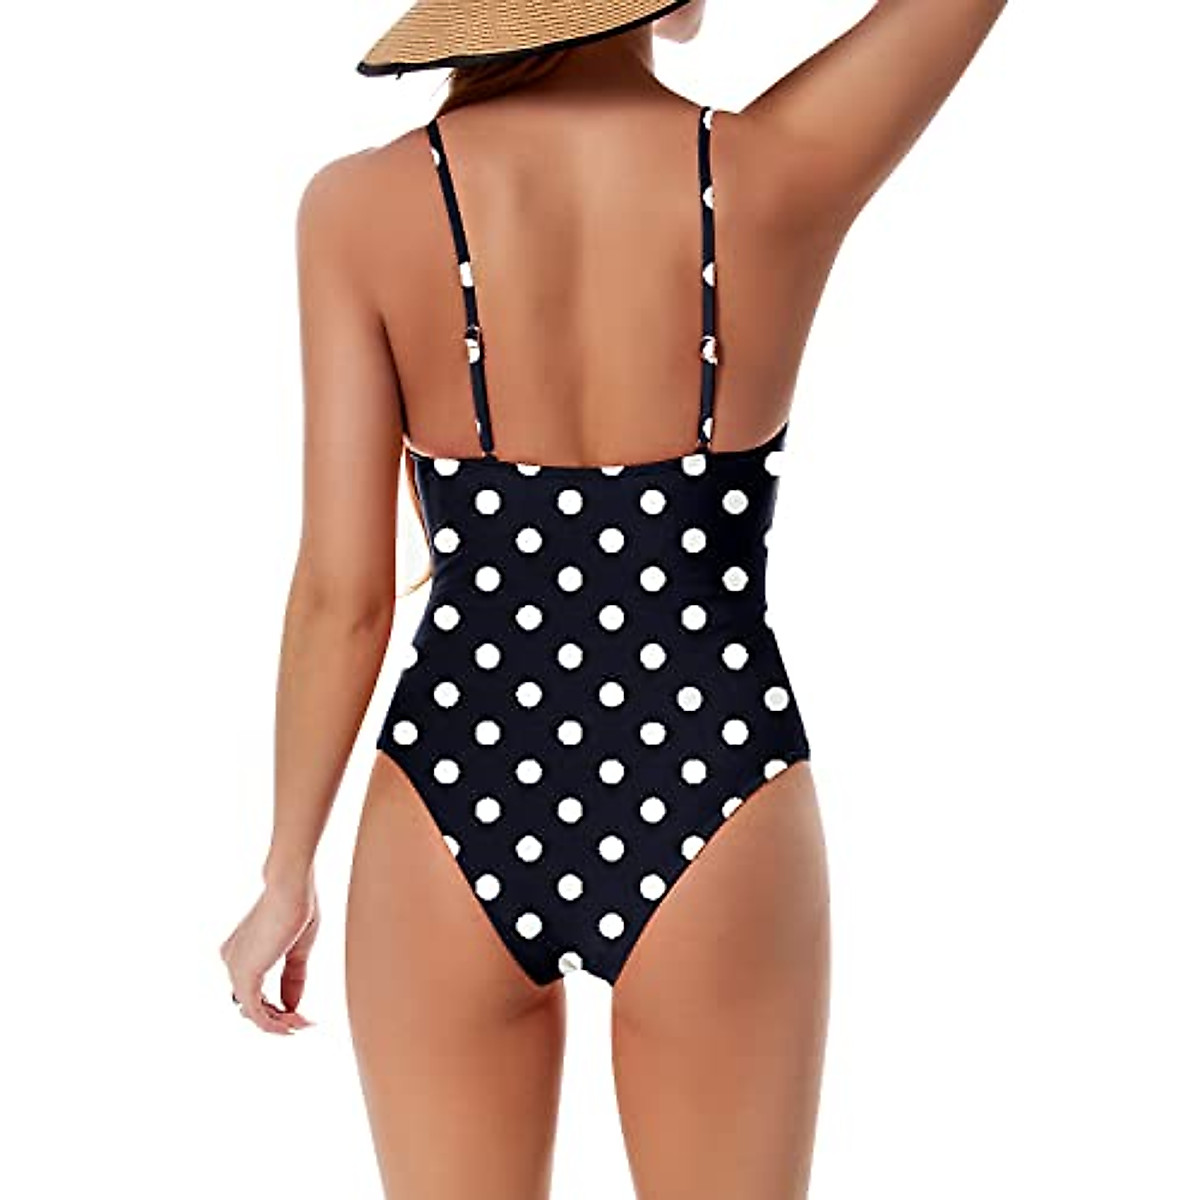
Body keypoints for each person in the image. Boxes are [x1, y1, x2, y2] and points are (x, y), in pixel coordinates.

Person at [219, 0, 1007, 1194]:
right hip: (714, 773)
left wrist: (286, 869)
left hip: (454, 782)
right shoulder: (779, 169)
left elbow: (345, 594)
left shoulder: (360, 207)